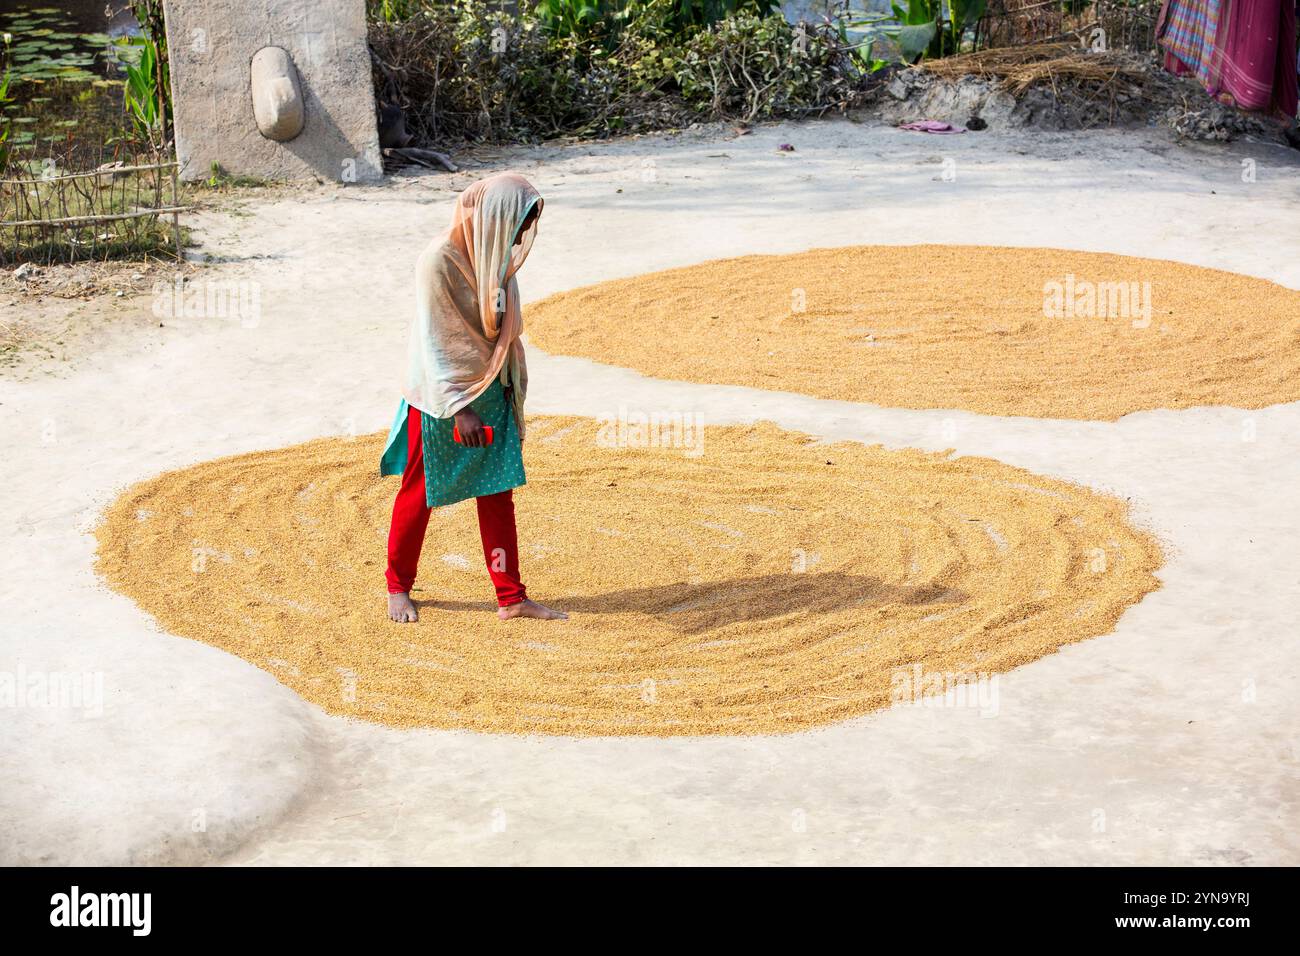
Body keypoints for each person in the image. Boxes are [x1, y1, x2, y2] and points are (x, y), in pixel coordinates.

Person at [380, 172, 567, 624]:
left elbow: (504, 329)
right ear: (492, 216)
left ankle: (511, 597)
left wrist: (506, 391)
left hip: (492, 386)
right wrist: (459, 409)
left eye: (526, 225)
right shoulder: (437, 261)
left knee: (498, 491)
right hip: (443, 397)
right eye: (517, 222)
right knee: (420, 491)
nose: (522, 234)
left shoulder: (495, 258)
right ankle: (397, 587)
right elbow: (434, 340)